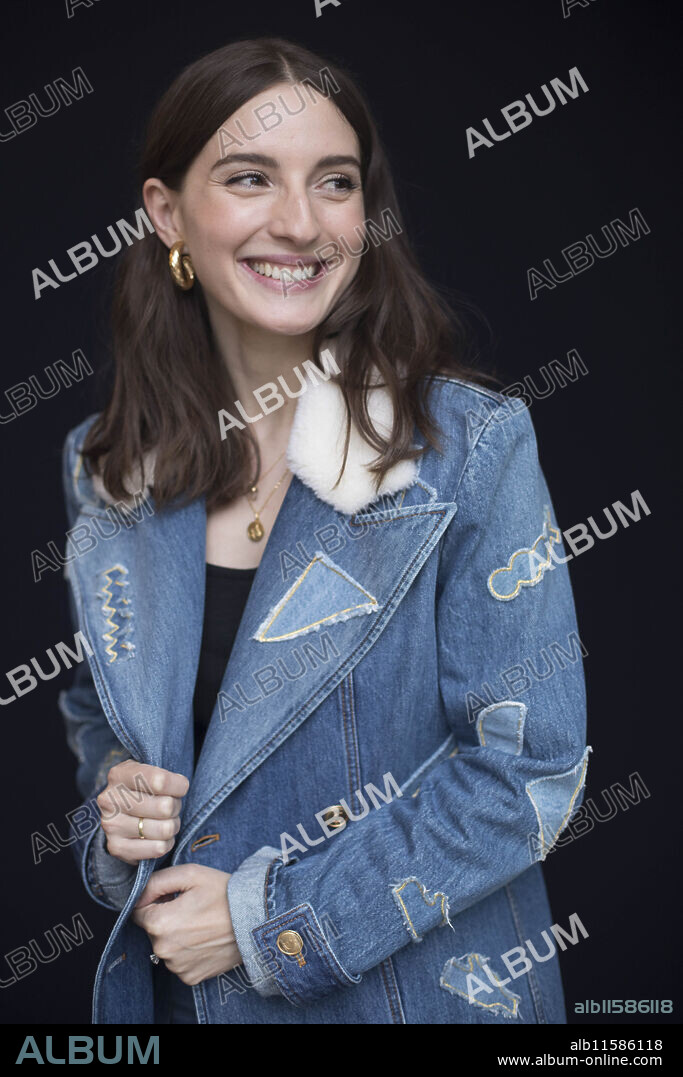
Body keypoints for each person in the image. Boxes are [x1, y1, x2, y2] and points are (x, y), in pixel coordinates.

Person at [59, 36, 589, 1025]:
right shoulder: (108, 465)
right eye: (249, 178)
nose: (300, 223)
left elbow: (528, 773)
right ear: (166, 213)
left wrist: (272, 921)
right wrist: (116, 807)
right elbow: (101, 719)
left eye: (334, 182)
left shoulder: (467, 447)